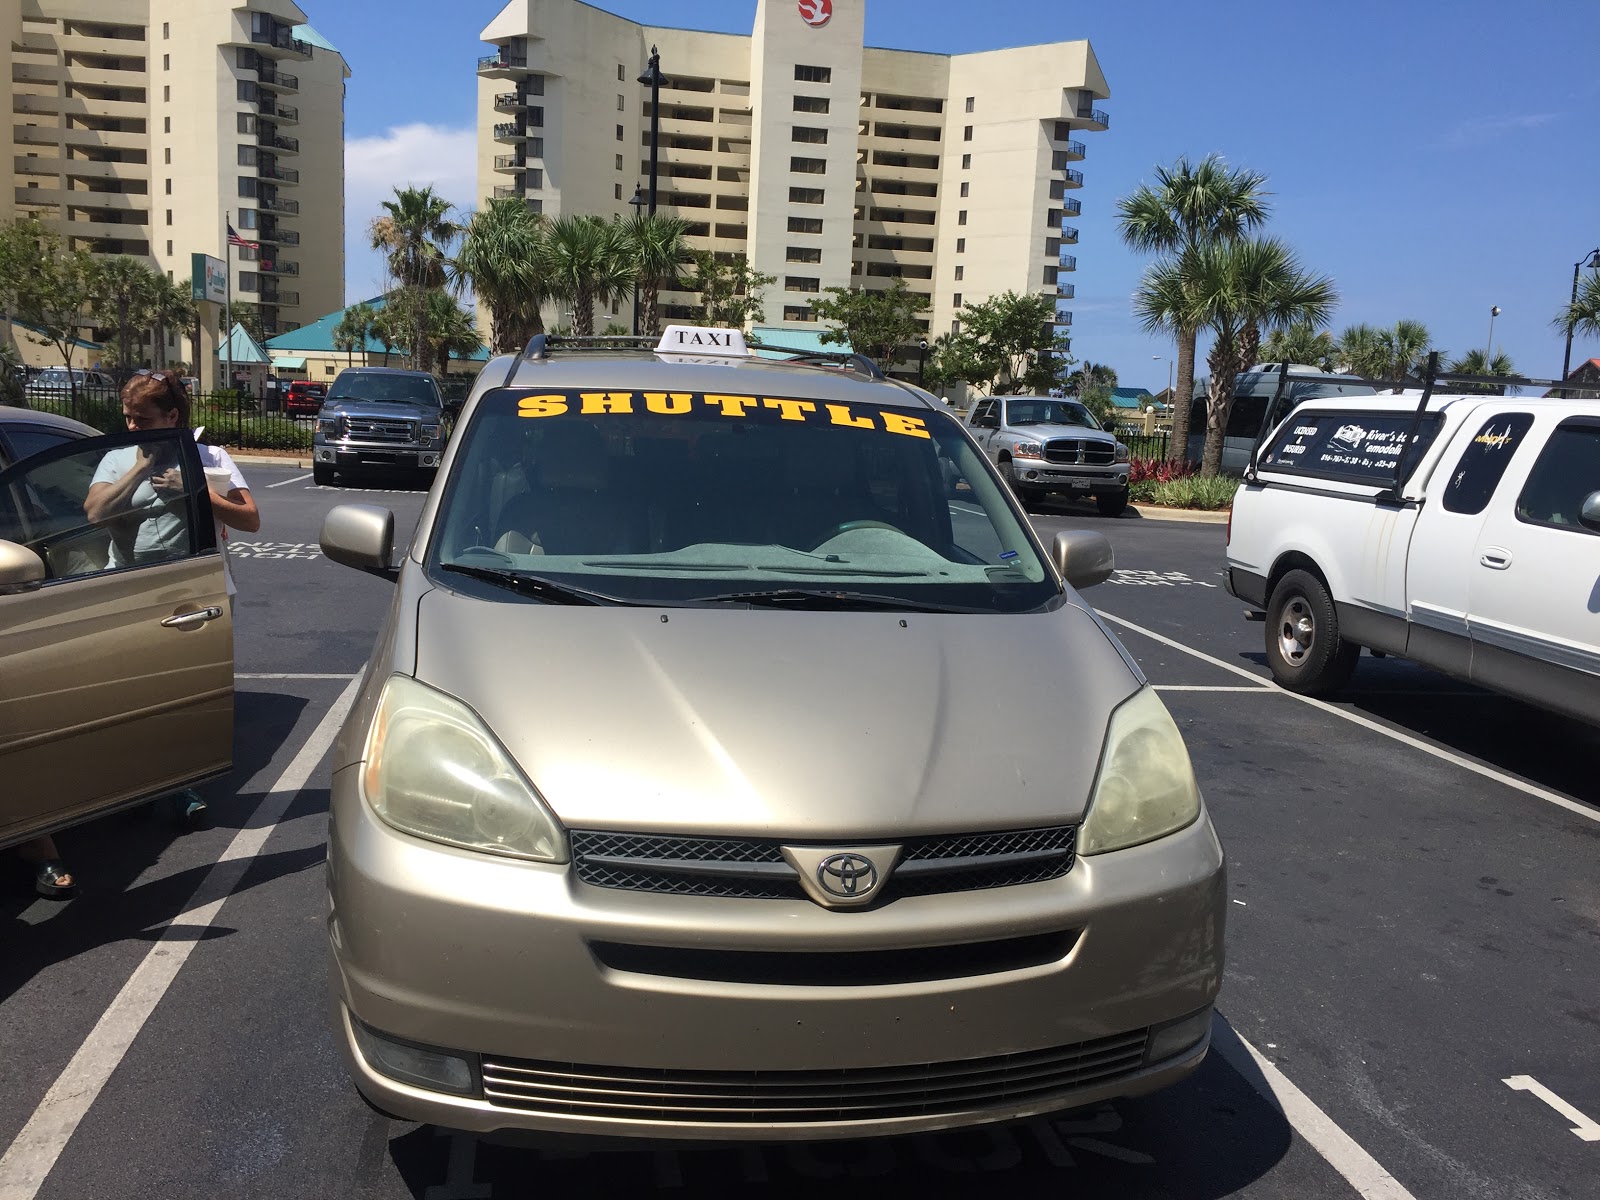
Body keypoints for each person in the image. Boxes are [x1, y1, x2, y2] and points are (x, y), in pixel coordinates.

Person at [85, 369, 259, 832]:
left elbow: (250, 520)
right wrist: (140, 466)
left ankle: (180, 782)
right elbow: (95, 513)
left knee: (182, 693)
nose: (133, 427)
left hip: (192, 592)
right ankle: (133, 783)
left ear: (173, 415)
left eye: (143, 419)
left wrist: (196, 491)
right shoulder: (117, 458)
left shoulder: (210, 456)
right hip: (126, 589)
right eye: (128, 418)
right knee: (129, 692)